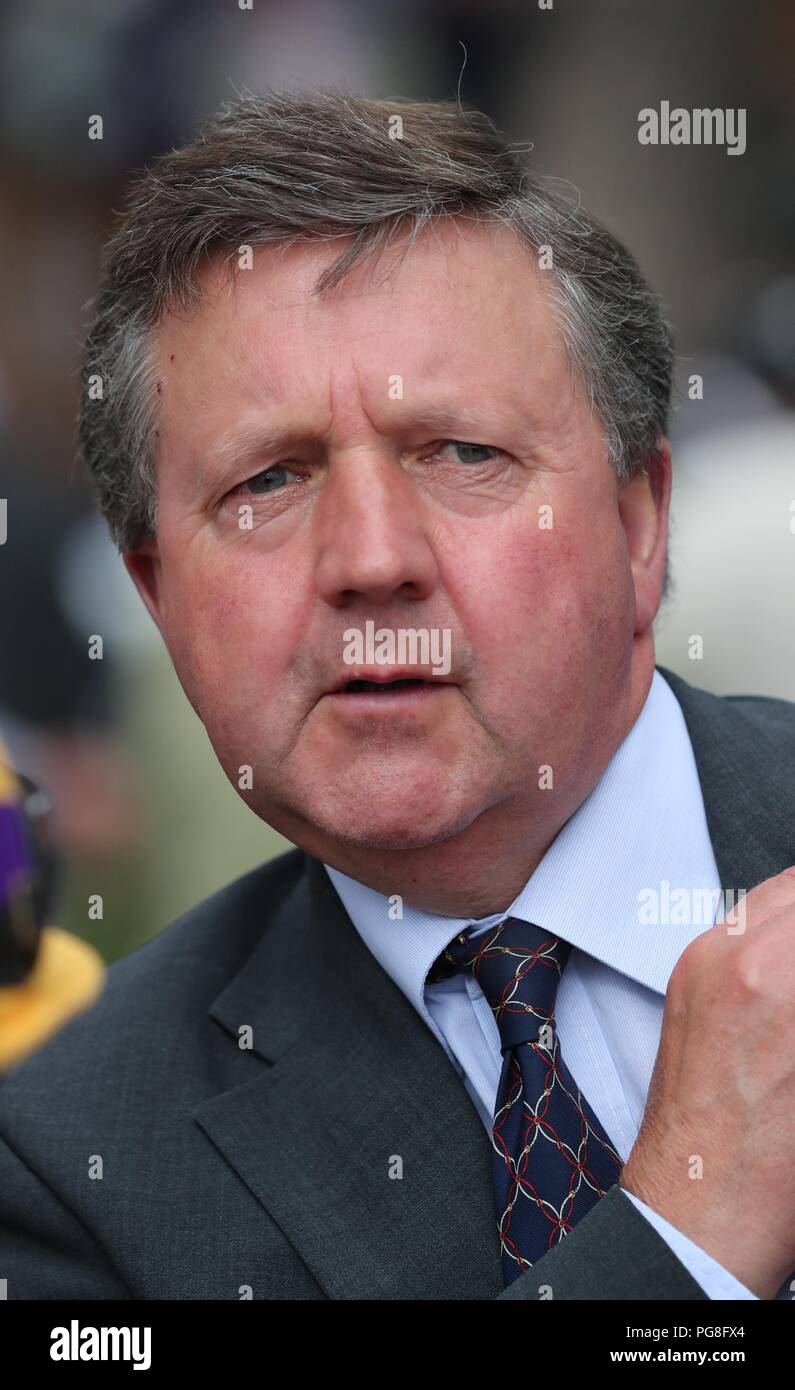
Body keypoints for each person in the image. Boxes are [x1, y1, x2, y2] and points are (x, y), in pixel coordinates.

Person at [1, 89, 793, 1301]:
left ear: (638, 522)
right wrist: (686, 1234)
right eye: (267, 481)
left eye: (464, 454)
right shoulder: (76, 1162)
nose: (372, 558)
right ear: (158, 597)